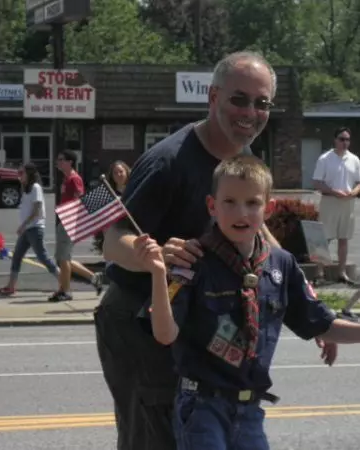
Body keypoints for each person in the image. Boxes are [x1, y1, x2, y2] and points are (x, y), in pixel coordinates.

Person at [95, 51, 337, 450]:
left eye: (262, 103)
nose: (250, 112)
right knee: (154, 438)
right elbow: (112, 241)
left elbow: (262, 240)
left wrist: (311, 311)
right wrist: (152, 257)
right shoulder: (168, 162)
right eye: (239, 99)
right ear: (213, 97)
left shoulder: (242, 160)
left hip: (192, 325)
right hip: (138, 320)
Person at [134, 154, 360, 450]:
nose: (241, 213)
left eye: (252, 203)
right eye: (229, 202)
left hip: (250, 409)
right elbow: (165, 335)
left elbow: (321, 324)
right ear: (212, 206)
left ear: (267, 209)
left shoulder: (280, 265)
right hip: (202, 406)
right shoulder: (193, 260)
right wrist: (157, 273)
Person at [49, 150, 103, 302]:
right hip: (63, 220)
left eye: (61, 159)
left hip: (69, 221)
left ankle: (65, 291)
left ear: (70, 162)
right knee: (62, 258)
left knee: (63, 258)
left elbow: (80, 198)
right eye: (58, 159)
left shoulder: (74, 178)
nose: (58, 162)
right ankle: (93, 278)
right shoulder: (66, 179)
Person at [0, 163, 59, 295]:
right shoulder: (26, 189)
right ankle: (10, 287)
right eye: (19, 173)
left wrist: (23, 225)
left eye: (22, 173)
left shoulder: (36, 188)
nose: (19, 176)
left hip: (35, 228)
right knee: (17, 256)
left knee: (43, 258)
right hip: (27, 229)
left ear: (29, 174)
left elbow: (36, 210)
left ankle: (63, 282)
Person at [313, 126, 360, 286]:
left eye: (347, 139)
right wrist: (334, 192)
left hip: (348, 203)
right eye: (341, 139)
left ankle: (342, 273)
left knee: (344, 238)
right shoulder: (325, 159)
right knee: (323, 238)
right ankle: (319, 273)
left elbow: (359, 182)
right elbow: (317, 182)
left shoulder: (354, 159)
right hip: (329, 202)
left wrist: (354, 192)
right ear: (335, 140)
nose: (345, 142)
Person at [93, 160, 131, 254]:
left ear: (126, 172)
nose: (118, 174)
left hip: (130, 229)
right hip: (113, 231)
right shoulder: (108, 192)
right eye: (115, 173)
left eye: (121, 171)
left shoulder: (133, 189)